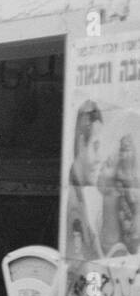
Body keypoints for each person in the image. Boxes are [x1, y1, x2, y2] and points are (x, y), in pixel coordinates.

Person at [64, 101, 106, 262]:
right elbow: (79, 263)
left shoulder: (77, 194)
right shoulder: (73, 203)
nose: (100, 158)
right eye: (95, 146)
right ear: (81, 143)